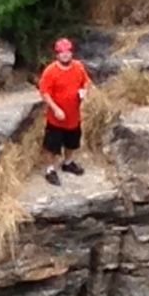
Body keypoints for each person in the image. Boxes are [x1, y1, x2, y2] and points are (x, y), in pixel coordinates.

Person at [38, 37, 91, 186]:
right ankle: (50, 169)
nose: (65, 55)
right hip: (56, 118)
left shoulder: (78, 67)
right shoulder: (50, 71)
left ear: (72, 53)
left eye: (68, 51)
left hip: (73, 116)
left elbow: (86, 82)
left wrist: (85, 92)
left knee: (72, 142)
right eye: (62, 52)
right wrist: (55, 109)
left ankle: (68, 163)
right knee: (52, 145)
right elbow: (44, 92)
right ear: (57, 55)